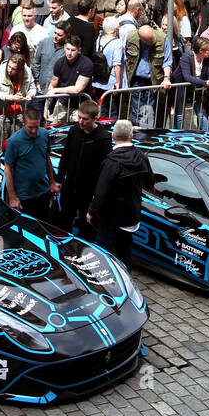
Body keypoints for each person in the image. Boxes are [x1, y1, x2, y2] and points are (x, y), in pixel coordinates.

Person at [87, 120, 154, 269]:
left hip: (113, 218)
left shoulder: (111, 162)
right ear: (131, 136)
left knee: (106, 254)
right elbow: (150, 183)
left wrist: (92, 211)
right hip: (132, 216)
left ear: (112, 136)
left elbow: (101, 191)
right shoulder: (141, 157)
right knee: (126, 253)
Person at [55, 100, 112, 235]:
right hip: (70, 186)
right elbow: (66, 156)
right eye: (79, 117)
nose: (81, 122)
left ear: (94, 118)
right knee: (64, 221)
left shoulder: (103, 138)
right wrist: (59, 180)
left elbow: (105, 169)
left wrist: (97, 194)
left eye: (85, 119)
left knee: (86, 226)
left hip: (88, 190)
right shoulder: (74, 131)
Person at [1, 107, 60, 224]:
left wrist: (52, 183)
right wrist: (12, 197)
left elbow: (47, 159)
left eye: (36, 127)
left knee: (44, 226)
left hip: (43, 192)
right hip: (24, 197)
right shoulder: (14, 141)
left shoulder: (44, 134)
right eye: (30, 127)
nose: (34, 131)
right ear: (23, 123)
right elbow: (8, 169)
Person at [46, 35, 95, 121]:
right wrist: (46, 107)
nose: (69, 53)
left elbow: (77, 89)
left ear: (79, 50)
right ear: (64, 47)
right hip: (63, 103)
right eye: (67, 49)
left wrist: (56, 90)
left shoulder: (86, 64)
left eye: (73, 50)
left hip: (81, 105)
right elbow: (52, 85)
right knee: (56, 129)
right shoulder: (59, 62)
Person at [0, 52, 36, 140]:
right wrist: (10, 97)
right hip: (2, 112)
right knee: (3, 143)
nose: (9, 70)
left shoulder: (27, 71)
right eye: (9, 66)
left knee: (17, 141)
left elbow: (32, 88)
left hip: (19, 112)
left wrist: (30, 95)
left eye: (13, 69)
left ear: (20, 69)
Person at [93, 15, 126, 116]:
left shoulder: (98, 40)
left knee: (101, 111)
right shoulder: (117, 43)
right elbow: (117, 65)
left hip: (98, 81)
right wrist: (118, 83)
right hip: (111, 82)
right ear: (115, 29)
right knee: (113, 112)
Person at [33, 19, 70, 95]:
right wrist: (36, 82)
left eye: (59, 35)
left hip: (56, 92)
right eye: (55, 33)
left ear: (67, 35)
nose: (55, 36)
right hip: (40, 89)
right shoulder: (45, 42)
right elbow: (36, 63)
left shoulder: (69, 50)